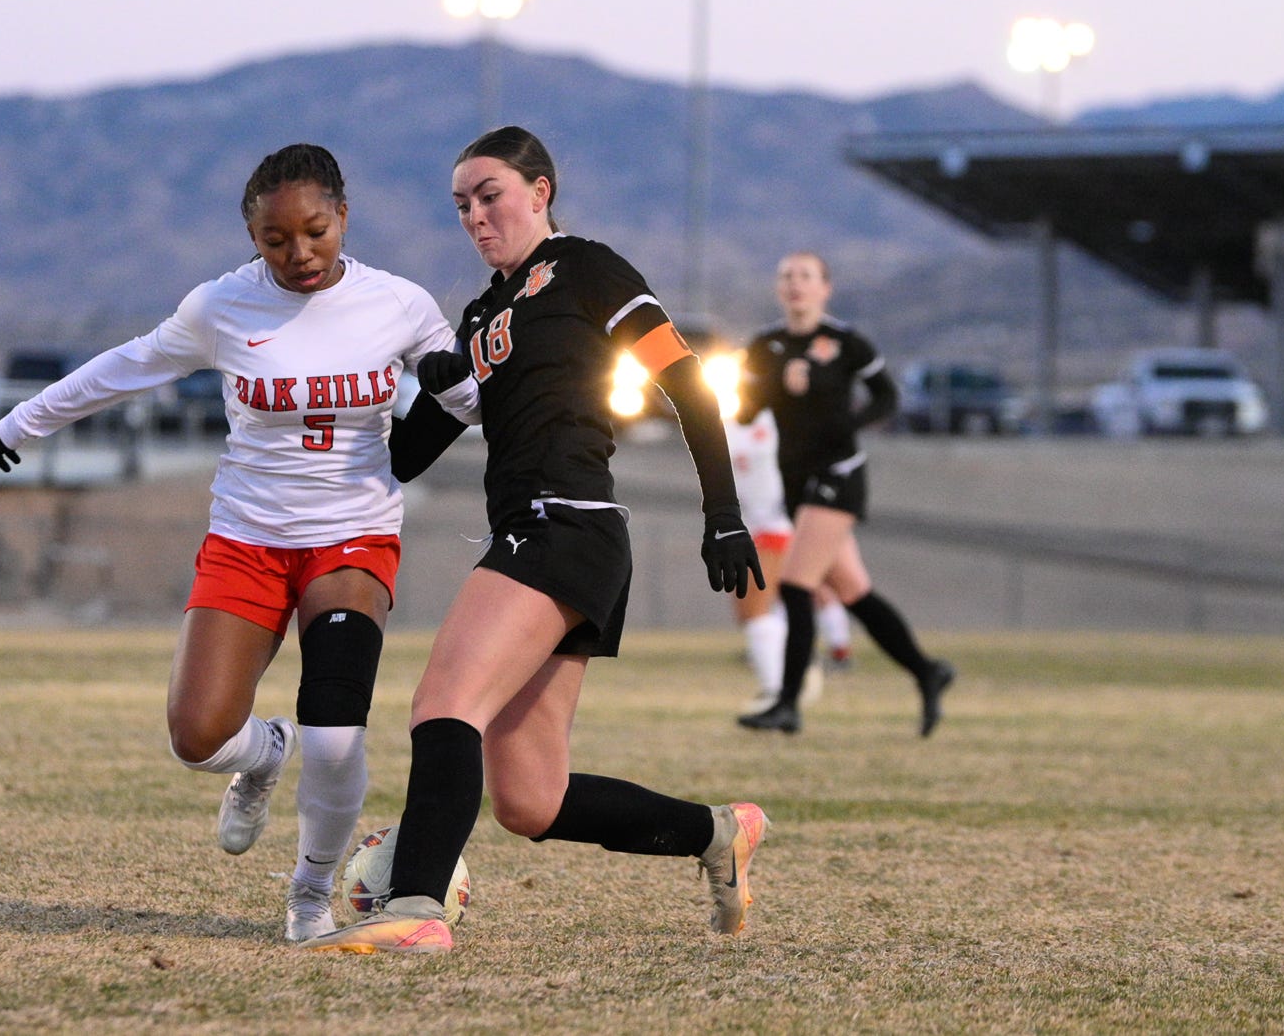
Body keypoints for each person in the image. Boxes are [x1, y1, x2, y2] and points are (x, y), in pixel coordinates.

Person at [0, 144, 476, 942]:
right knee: (197, 733)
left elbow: (465, 398)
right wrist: (20, 420)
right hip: (247, 535)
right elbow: (128, 366)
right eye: (276, 240)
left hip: (353, 533)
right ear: (253, 238)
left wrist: (465, 389)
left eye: (315, 231)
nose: (299, 253)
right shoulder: (221, 307)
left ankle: (310, 897)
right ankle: (263, 753)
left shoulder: (401, 304)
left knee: (338, 727)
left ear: (343, 216)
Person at [305, 126, 769, 956]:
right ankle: (714, 832)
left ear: (540, 191)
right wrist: (440, 390)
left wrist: (723, 511)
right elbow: (407, 458)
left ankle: (415, 907)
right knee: (531, 798)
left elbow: (685, 378)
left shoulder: (586, 266)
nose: (476, 216)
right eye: (461, 206)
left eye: (490, 195)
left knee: (444, 703)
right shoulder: (483, 312)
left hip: (565, 522)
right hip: (549, 534)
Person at [733, 251, 955, 737]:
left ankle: (787, 705)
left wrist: (845, 426)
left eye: (806, 276)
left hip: (838, 474)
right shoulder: (764, 345)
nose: (795, 284)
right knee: (855, 593)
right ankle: (926, 670)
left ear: (824, 288)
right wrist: (771, 385)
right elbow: (747, 414)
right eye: (787, 275)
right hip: (795, 481)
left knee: (794, 584)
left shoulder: (844, 342)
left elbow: (887, 396)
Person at [725, 409, 853, 710]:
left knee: (758, 607)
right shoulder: (727, 421)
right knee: (754, 610)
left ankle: (780, 687)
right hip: (750, 526)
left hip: (774, 524)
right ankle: (792, 674)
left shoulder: (776, 418)